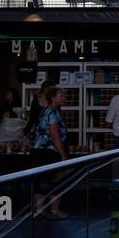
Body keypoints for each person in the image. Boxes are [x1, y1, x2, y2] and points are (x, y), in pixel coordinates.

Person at [31, 85, 70, 219]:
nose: (64, 98)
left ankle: (39, 210)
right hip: (49, 152)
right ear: (53, 97)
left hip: (37, 152)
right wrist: (63, 155)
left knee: (40, 182)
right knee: (56, 181)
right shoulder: (53, 112)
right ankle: (54, 210)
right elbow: (54, 135)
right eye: (61, 95)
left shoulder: (43, 111)